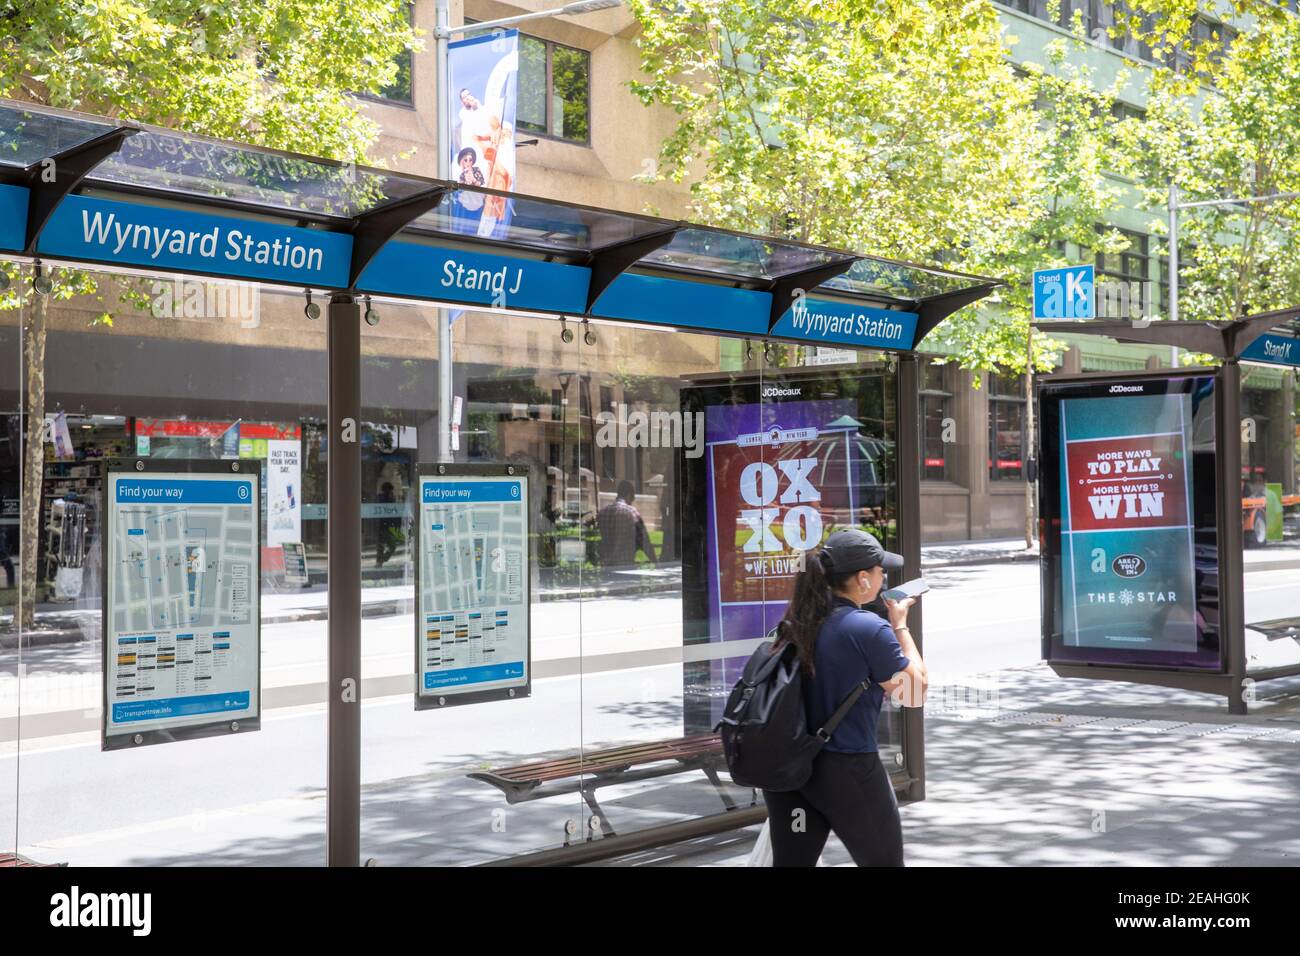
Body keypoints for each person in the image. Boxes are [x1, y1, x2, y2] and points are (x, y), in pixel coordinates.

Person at [761, 528, 928, 867]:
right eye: (881, 571)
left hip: (790, 772)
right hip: (847, 771)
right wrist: (900, 626)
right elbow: (913, 693)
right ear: (863, 579)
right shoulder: (867, 629)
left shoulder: (795, 622)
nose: (884, 577)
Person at [596, 479, 657, 570]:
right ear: (629, 494)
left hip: (606, 566)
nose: (633, 500)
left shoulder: (602, 513)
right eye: (633, 497)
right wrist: (655, 560)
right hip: (625, 566)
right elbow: (643, 540)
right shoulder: (631, 512)